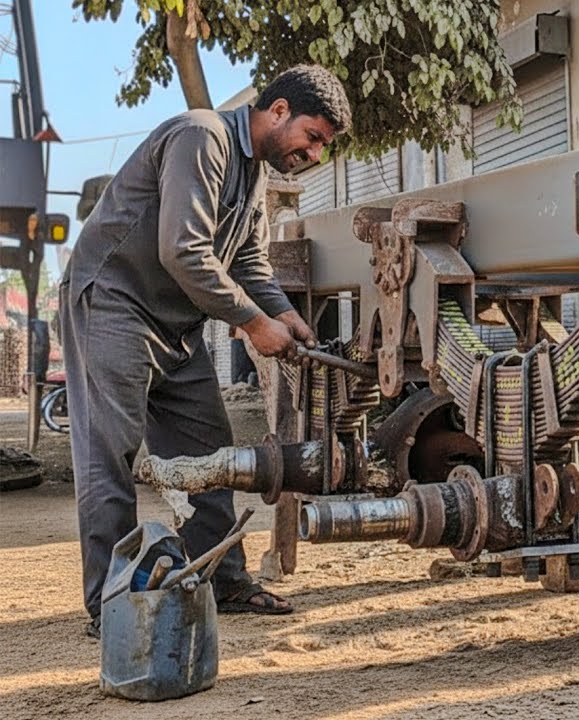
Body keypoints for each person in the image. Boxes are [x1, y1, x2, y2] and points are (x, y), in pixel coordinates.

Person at [60, 65, 351, 638]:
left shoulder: (255, 174)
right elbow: (184, 251)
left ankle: (221, 579)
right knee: (109, 456)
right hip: (113, 303)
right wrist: (251, 324)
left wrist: (286, 315)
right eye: (313, 137)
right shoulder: (202, 137)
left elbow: (247, 262)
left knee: (212, 450)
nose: (315, 154)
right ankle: (111, 602)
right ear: (279, 111)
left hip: (175, 324)